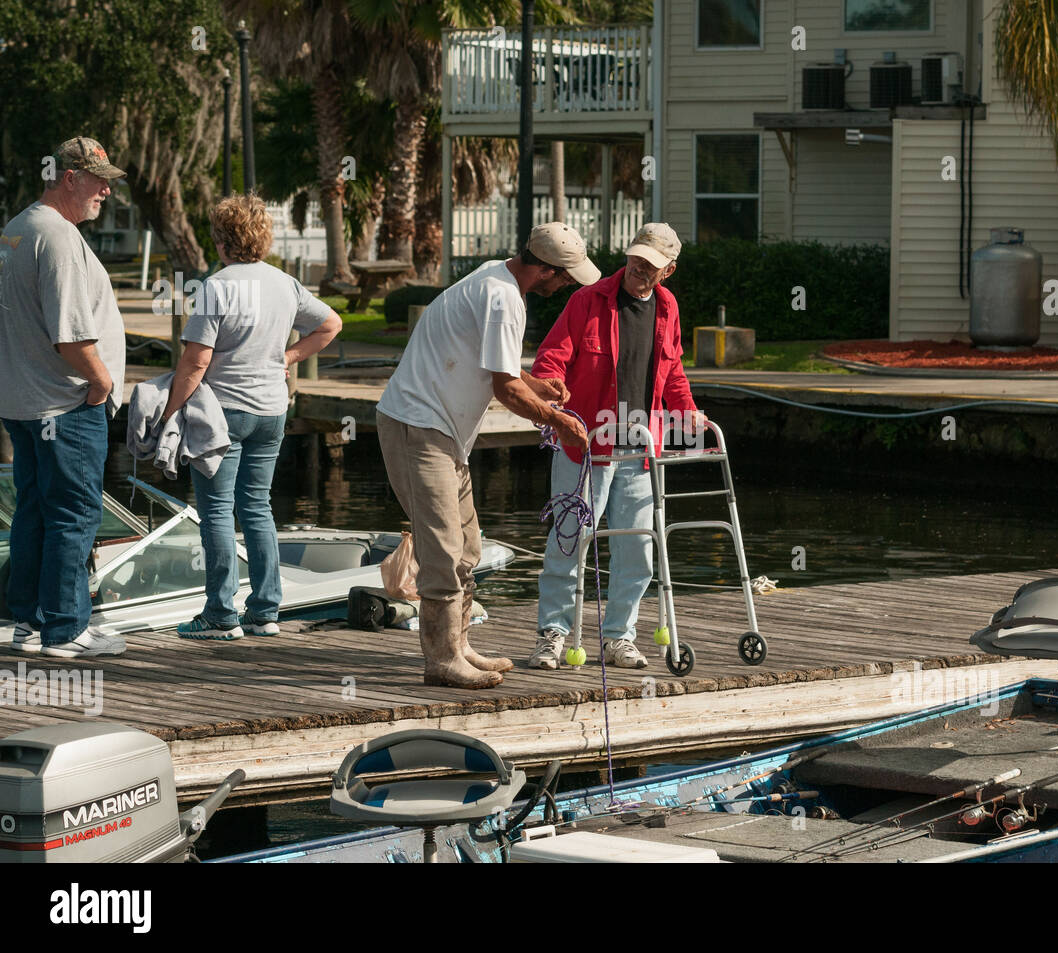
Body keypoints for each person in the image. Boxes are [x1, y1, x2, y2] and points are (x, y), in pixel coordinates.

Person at [376, 223, 592, 689]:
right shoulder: (503, 298)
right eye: (566, 276)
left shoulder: (499, 278)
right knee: (442, 550)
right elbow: (505, 390)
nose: (569, 284)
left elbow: (504, 370)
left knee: (468, 548)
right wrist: (559, 422)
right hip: (418, 428)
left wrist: (538, 384)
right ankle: (441, 660)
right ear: (547, 270)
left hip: (445, 435)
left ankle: (461, 645)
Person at [528, 223, 707, 670]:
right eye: (635, 260)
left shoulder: (667, 307)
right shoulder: (587, 299)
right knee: (570, 541)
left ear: (669, 270)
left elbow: (673, 369)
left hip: (639, 447)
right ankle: (552, 634)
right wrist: (550, 388)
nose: (639, 271)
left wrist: (688, 411)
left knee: (637, 550)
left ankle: (618, 637)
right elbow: (552, 354)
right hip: (586, 443)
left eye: (650, 265)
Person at [163, 194, 342, 639]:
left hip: (223, 413)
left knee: (218, 511)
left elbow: (195, 362)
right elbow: (331, 324)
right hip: (272, 411)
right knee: (257, 508)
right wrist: (291, 356)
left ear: (222, 239)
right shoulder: (284, 282)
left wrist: (169, 412)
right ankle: (265, 612)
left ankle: (220, 615)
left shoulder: (216, 286)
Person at [0, 137, 128, 658]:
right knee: (75, 515)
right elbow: (72, 336)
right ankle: (66, 629)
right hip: (66, 402)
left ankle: (28, 623)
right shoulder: (59, 238)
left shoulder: (15, 229)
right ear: (69, 178)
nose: (105, 191)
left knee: (33, 511)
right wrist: (101, 384)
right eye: (98, 180)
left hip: (22, 400)